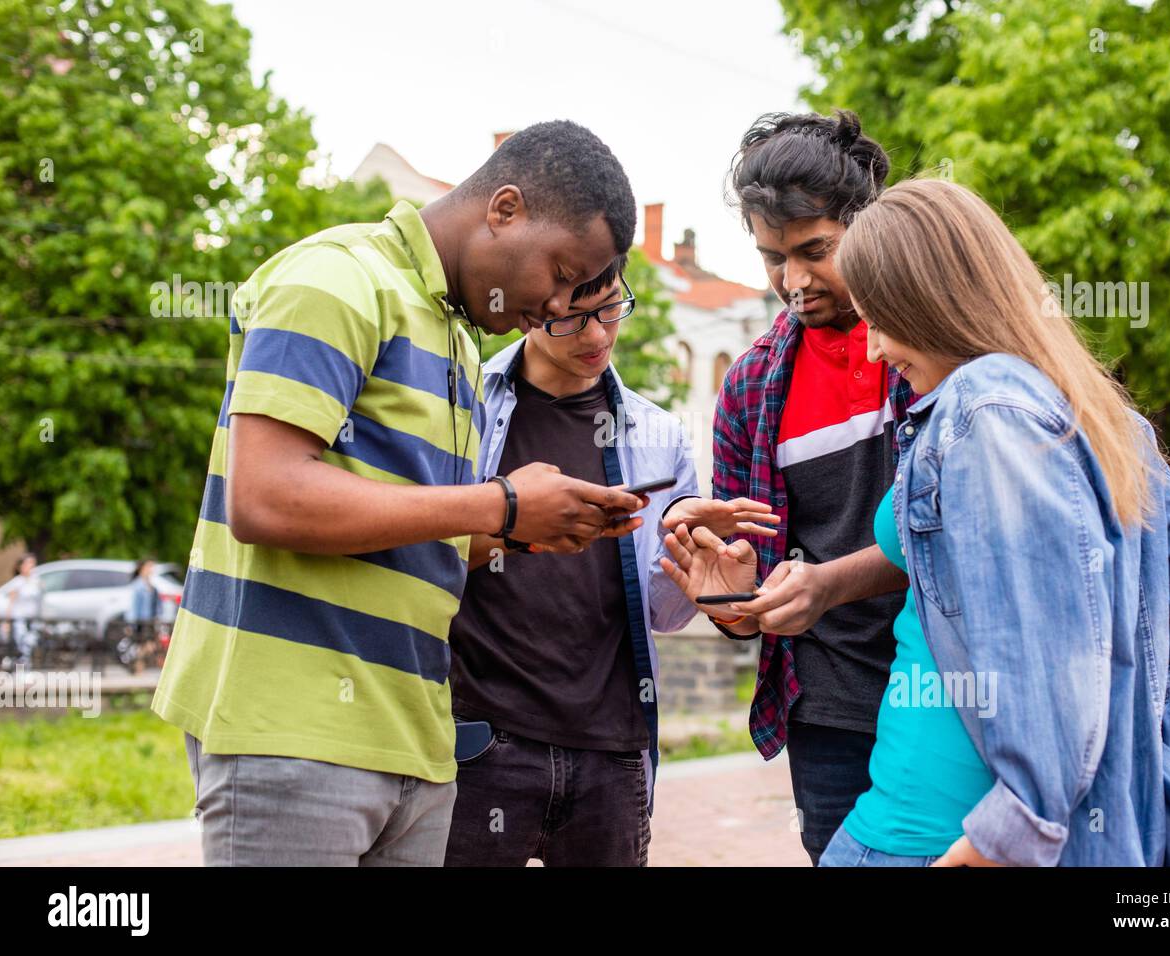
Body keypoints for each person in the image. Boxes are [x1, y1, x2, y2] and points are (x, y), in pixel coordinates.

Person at [685, 177, 1170, 866]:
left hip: (929, 835)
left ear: (935, 302)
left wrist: (1010, 831)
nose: (873, 348)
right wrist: (1146, 769)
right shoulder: (1095, 412)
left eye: (882, 319)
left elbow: (1039, 645)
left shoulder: (981, 409)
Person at [151, 120, 650, 867]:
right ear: (505, 209)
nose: (555, 308)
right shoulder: (337, 277)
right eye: (560, 272)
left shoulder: (453, 339)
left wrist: (526, 530)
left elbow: (406, 536)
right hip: (294, 735)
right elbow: (263, 497)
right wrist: (500, 504)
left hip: (417, 746)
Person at [659, 109, 915, 864]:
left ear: (870, 227)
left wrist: (828, 585)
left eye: (815, 251)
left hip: (948, 687)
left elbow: (956, 527)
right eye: (773, 257)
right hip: (828, 709)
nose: (793, 282)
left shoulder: (934, 345)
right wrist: (736, 605)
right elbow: (757, 587)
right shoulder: (749, 387)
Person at [445, 257, 752, 866]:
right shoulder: (465, 409)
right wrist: (511, 525)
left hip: (612, 752)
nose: (598, 336)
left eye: (611, 307)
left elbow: (660, 616)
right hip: (479, 743)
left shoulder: (658, 435)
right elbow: (426, 558)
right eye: (573, 319)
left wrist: (698, 576)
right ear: (531, 311)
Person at [6, 554, 42, 668]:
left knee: (31, 642)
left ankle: (27, 668)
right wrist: (7, 621)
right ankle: (22, 670)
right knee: (22, 644)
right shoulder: (17, 582)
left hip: (33, 618)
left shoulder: (36, 581)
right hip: (20, 618)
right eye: (28, 563)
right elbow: (10, 603)